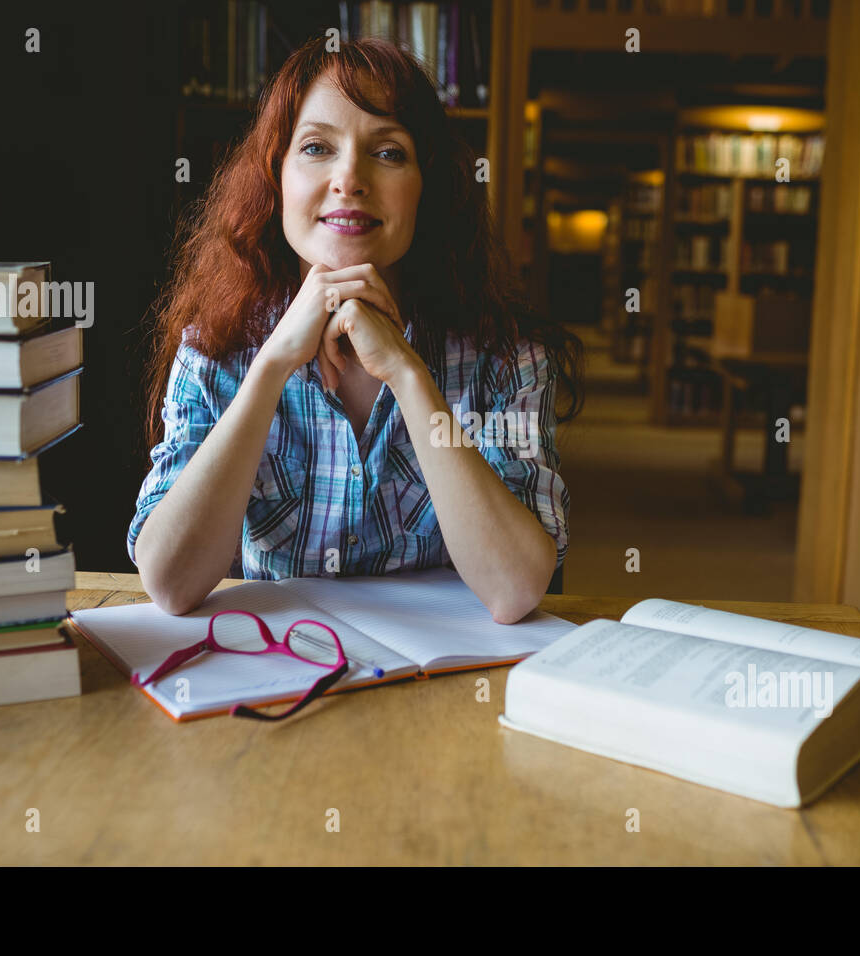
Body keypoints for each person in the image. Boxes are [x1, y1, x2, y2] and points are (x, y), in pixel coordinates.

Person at [131, 36, 583, 622]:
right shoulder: (217, 348)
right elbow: (169, 583)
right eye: (317, 147)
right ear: (277, 177)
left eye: (389, 152)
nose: (349, 178)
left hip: (447, 686)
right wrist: (269, 369)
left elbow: (515, 589)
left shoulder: (509, 356)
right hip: (284, 680)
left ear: (429, 186)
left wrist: (407, 374)